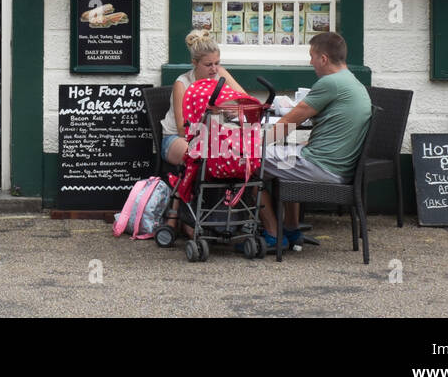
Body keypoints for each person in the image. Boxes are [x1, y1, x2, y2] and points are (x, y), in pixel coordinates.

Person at [258, 31, 371, 250]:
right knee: (285, 160)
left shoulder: (331, 83)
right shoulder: (352, 81)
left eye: (311, 56)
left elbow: (288, 123)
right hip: (337, 166)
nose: (310, 62)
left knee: (249, 162)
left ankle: (273, 235)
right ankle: (290, 229)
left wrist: (254, 145)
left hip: (320, 168)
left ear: (324, 59)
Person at [159, 30, 247, 238]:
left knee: (242, 159)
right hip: (178, 138)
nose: (214, 68)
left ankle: (226, 219)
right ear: (195, 63)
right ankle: (184, 219)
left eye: (217, 63)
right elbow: (182, 128)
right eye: (209, 65)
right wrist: (211, 113)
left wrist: (222, 75)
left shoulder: (218, 75)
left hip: (211, 138)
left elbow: (245, 100)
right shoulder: (183, 83)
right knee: (196, 157)